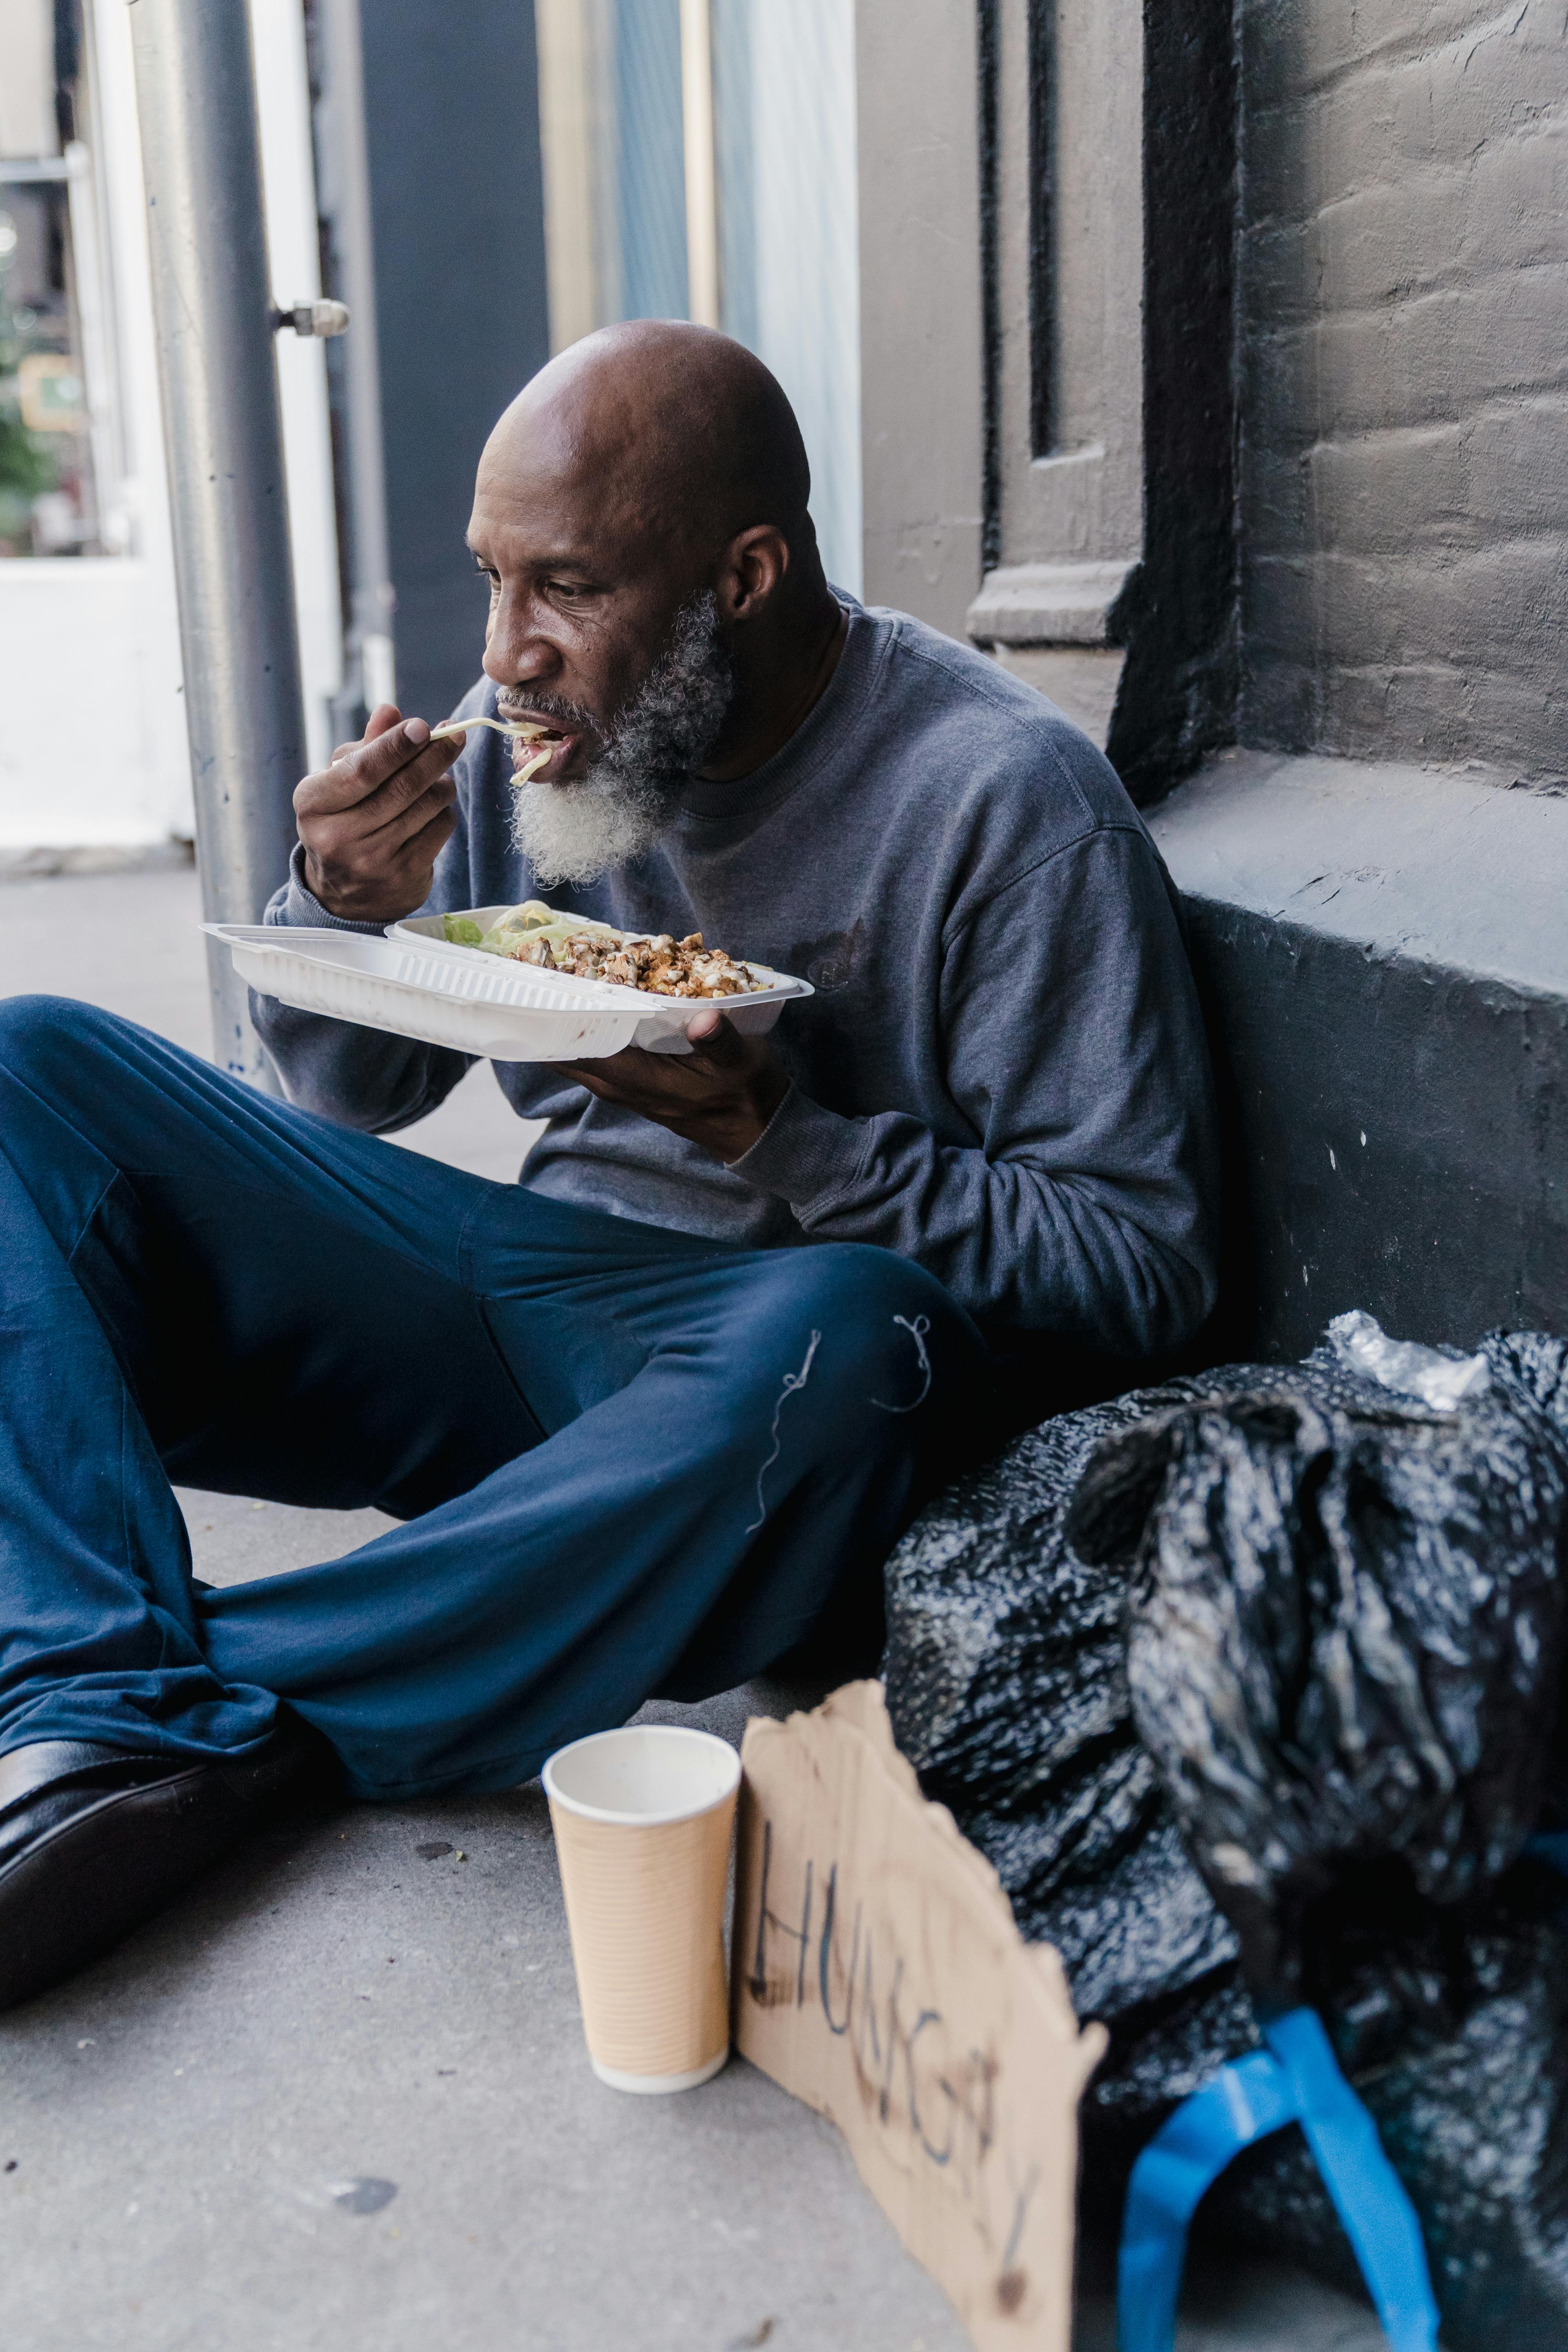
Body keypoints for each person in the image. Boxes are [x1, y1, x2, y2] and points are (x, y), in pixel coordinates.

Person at [0, 323, 1216, 2011]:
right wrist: (344, 905)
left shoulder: (1002, 803)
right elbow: (362, 1091)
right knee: (27, 1064)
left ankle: (151, 1732)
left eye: (562, 589)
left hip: (777, 1422)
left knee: (856, 1336)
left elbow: (1142, 1274)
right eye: (492, 581)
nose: (506, 656)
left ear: (743, 573)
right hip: (529, 1320)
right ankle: (93, 1685)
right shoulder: (541, 747)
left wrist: (783, 1138)